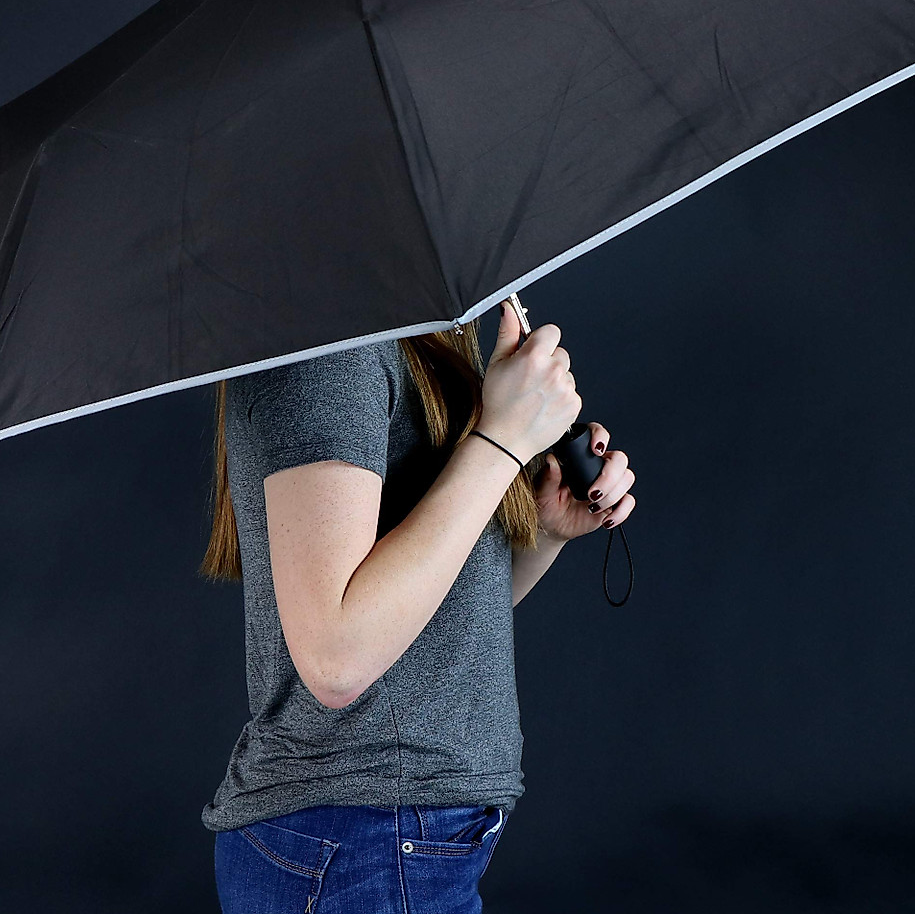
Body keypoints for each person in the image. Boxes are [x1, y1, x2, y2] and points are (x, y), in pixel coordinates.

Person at [199, 297, 636, 912]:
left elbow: (422, 623)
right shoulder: (333, 350)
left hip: (393, 838)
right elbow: (336, 656)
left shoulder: (417, 334)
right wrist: (503, 440)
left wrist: (545, 529)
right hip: (362, 843)